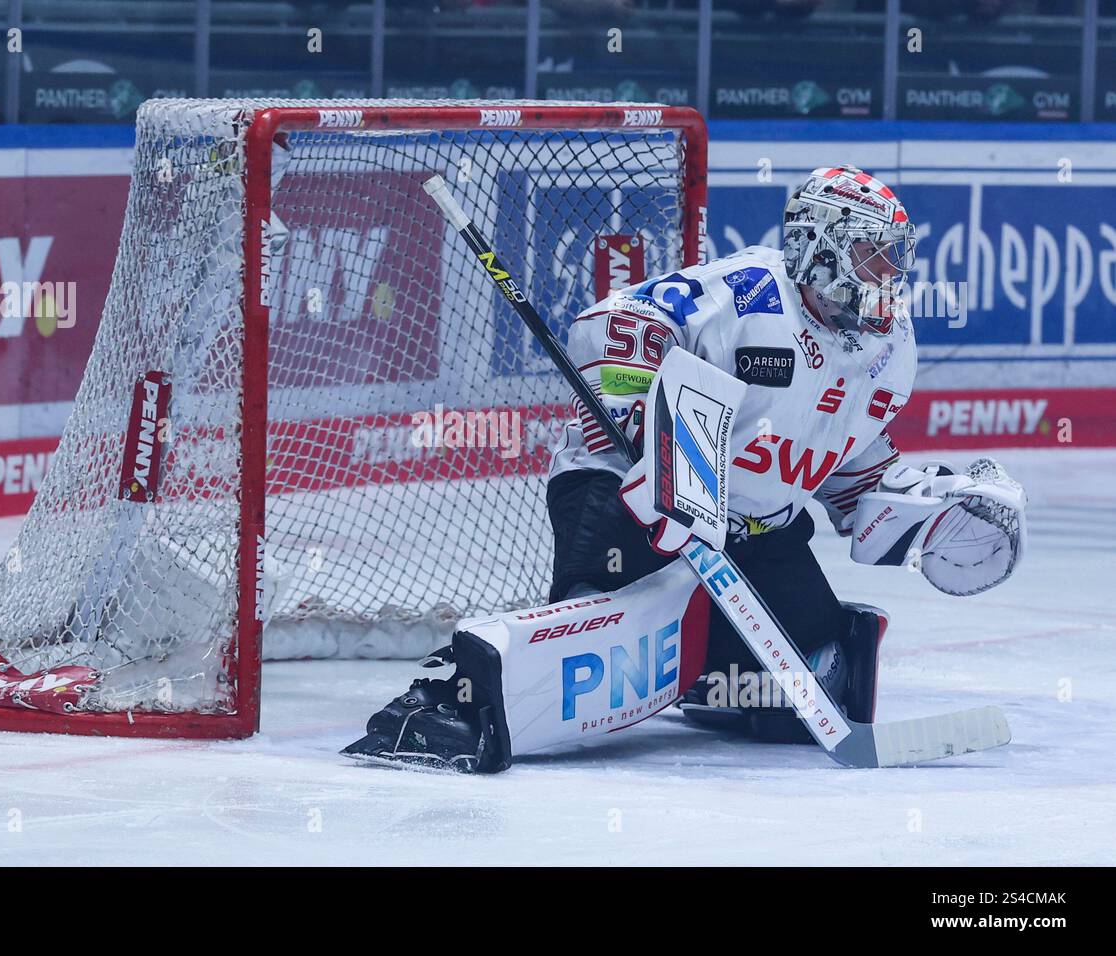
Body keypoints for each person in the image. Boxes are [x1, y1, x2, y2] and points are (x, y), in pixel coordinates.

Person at [344, 165, 1026, 771]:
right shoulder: (750, 293)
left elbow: (848, 462)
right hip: (627, 493)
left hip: (751, 528)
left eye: (894, 258)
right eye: (874, 255)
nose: (890, 275)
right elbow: (612, 323)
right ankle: (445, 702)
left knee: (823, 667)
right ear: (822, 250)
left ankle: (701, 671)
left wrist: (914, 509)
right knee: (597, 628)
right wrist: (647, 422)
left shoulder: (890, 348)